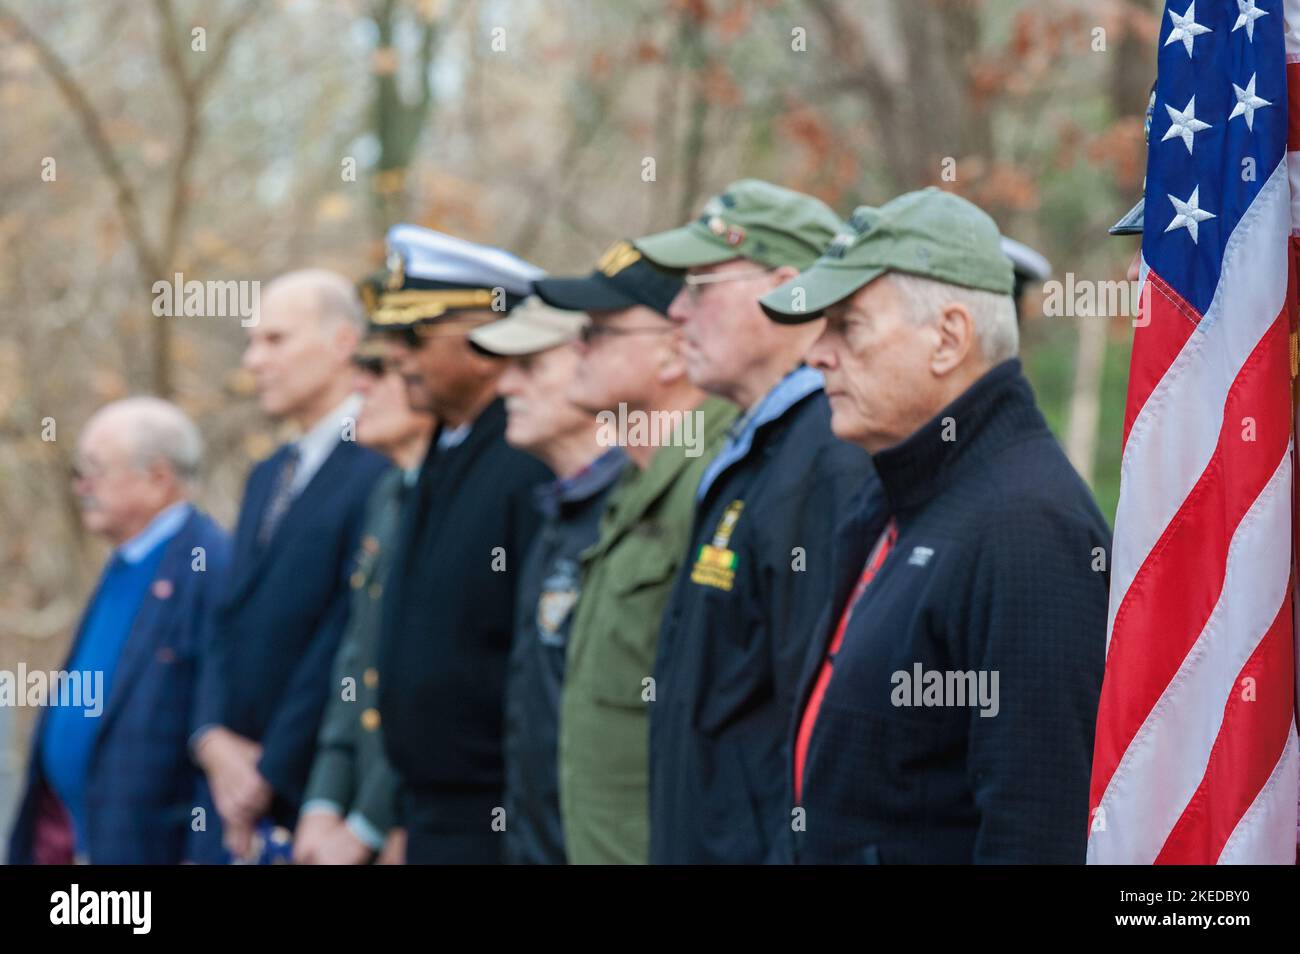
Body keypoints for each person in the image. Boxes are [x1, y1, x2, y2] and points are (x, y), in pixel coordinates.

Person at [759, 187, 1110, 864]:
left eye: (848, 325)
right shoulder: (896, 498)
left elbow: (1037, 835)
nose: (816, 355)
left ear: (949, 338)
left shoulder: (1027, 532)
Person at [630, 180, 877, 864]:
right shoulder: (762, 446)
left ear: (791, 289)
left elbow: (819, 736)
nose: (677, 311)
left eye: (701, 286)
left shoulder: (829, 458)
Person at [535, 238, 736, 864]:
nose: (577, 349)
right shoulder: (630, 480)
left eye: (599, 332)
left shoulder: (715, 480)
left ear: (675, 350)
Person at [190, 269, 389, 863]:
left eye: (275, 341)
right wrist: (211, 737)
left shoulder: (379, 462)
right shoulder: (266, 473)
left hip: (315, 800)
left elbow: (347, 633)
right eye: (252, 341)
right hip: (236, 797)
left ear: (342, 344)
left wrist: (266, 770)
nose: (253, 360)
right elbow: (228, 617)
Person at [369, 226, 553, 864]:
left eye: (415, 337)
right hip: (430, 809)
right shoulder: (449, 450)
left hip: (492, 814)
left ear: (486, 341)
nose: (399, 358)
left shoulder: (524, 459)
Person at [7, 397, 230, 864]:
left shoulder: (207, 566)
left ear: (159, 478)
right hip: (73, 840)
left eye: (97, 470)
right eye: (78, 470)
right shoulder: (124, 562)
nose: (82, 486)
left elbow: (219, 730)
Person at [467, 298, 626, 865]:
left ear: (594, 361)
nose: (506, 384)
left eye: (530, 365)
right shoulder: (558, 516)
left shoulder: (636, 515)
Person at [293, 337, 435, 865]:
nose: (359, 388)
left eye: (382, 371)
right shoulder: (390, 492)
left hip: (413, 822)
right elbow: (357, 661)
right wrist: (326, 798)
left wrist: (373, 820)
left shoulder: (456, 500)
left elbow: (443, 678)